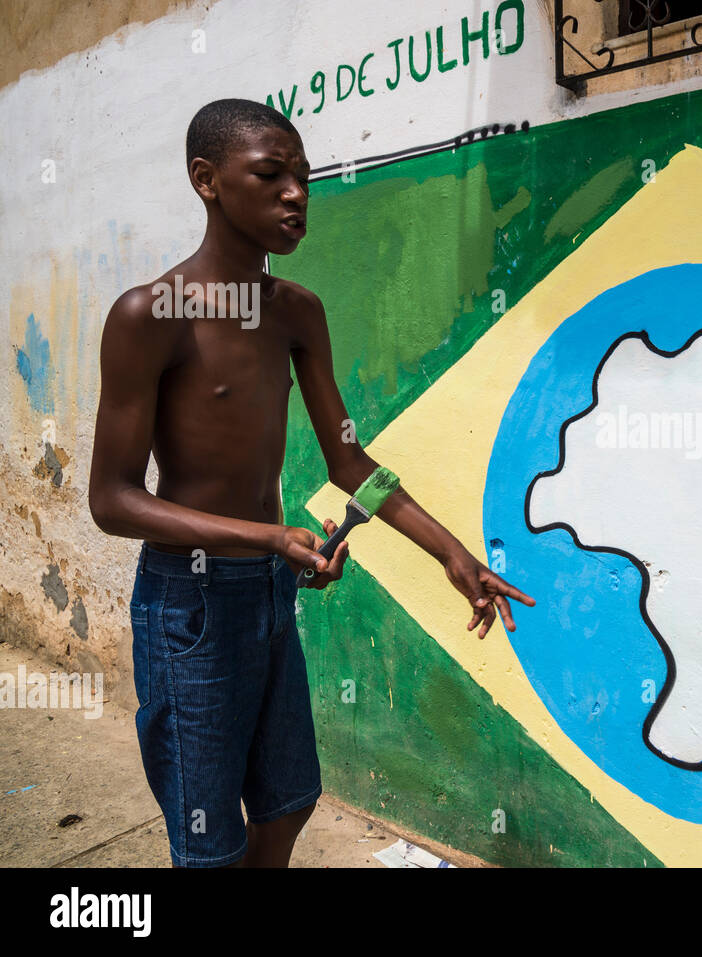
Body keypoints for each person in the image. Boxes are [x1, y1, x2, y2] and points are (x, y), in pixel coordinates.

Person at [87, 98, 534, 868]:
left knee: (288, 803)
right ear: (207, 180)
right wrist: (269, 534)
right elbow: (113, 498)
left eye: (304, 176)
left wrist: (451, 553)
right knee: (208, 840)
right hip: (187, 607)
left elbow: (351, 461)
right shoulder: (148, 315)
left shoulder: (297, 313)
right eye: (271, 174)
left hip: (269, 592)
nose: (298, 193)